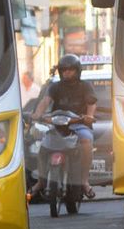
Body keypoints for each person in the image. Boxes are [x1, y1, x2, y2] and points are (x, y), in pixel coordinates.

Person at [27, 54, 98, 199]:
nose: (67, 72)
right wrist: (37, 114)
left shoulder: (85, 86)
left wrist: (89, 117)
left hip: (79, 124)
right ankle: (41, 181)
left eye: (71, 70)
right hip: (57, 125)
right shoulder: (55, 87)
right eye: (64, 70)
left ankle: (84, 180)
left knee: (86, 141)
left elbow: (91, 103)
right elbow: (45, 102)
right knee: (43, 146)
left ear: (77, 71)